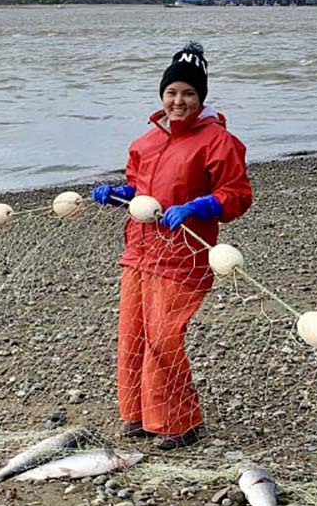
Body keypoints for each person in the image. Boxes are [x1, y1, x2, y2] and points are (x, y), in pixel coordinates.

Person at [92, 42, 252, 449]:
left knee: (164, 337)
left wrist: (199, 205)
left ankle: (180, 422)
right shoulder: (145, 141)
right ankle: (138, 414)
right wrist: (119, 194)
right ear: (161, 95)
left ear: (201, 99)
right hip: (139, 251)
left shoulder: (219, 141)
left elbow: (237, 195)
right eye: (172, 93)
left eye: (188, 94)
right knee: (131, 334)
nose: (179, 101)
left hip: (184, 254)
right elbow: (139, 189)